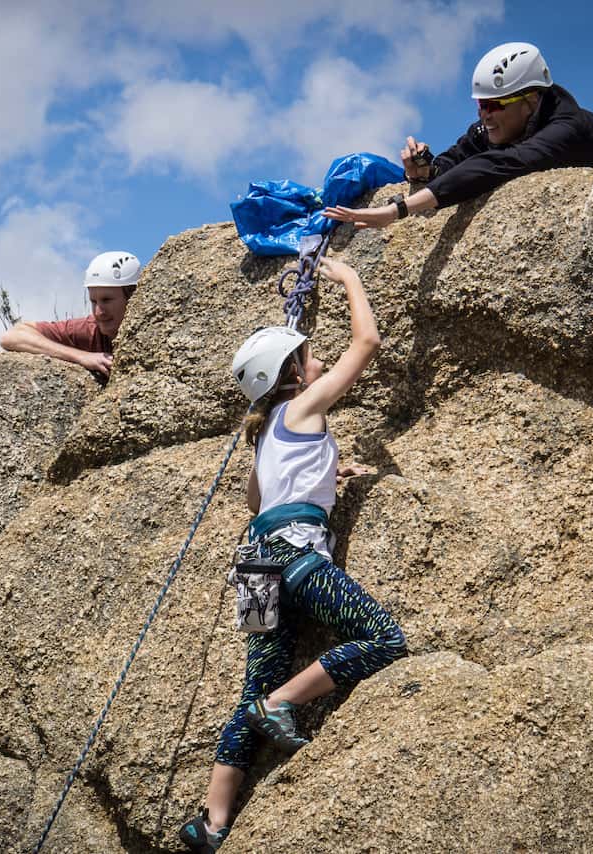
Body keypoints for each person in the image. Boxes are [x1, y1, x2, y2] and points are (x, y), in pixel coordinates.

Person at [179, 258, 407, 853]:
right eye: (310, 359)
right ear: (293, 376)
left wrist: (332, 476)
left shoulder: (263, 440)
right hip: (293, 554)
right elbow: (369, 342)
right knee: (384, 638)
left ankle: (214, 822)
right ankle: (282, 704)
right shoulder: (306, 409)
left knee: (253, 685)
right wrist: (353, 279)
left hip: (254, 566)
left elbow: (262, 502)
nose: (321, 363)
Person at [323, 41, 593, 229]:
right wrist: (424, 170)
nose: (484, 115)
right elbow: (460, 157)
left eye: (494, 105)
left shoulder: (567, 128)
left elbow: (500, 164)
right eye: (480, 105)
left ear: (530, 101)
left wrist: (398, 210)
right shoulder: (501, 122)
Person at [0, 251, 141, 378]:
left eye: (107, 300)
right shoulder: (89, 329)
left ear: (132, 297)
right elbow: (12, 337)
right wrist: (81, 356)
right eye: (93, 301)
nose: (98, 312)